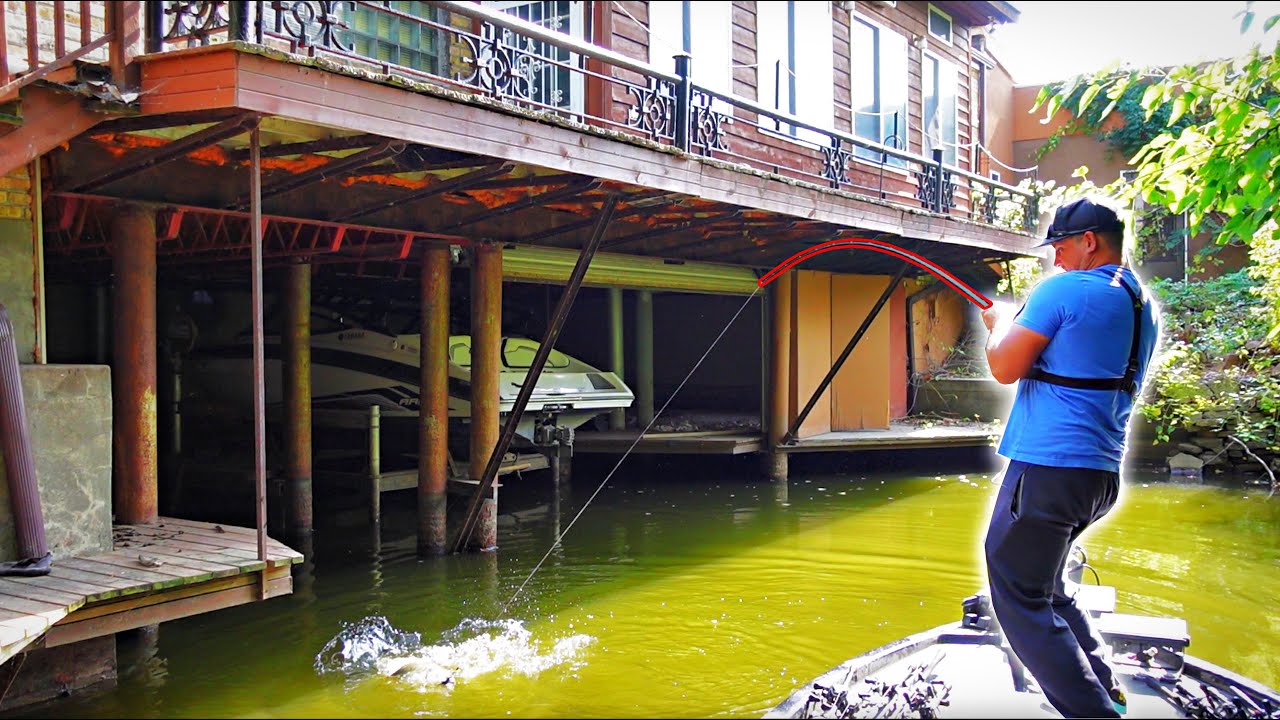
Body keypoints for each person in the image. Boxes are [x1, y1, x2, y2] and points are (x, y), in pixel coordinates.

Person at [979, 196, 1161, 718]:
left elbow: (1004, 367)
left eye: (1059, 246)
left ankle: (1094, 713)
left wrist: (998, 326)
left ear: (1089, 241)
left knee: (1019, 594)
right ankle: (1110, 693)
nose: (1054, 258)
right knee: (1050, 587)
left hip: (1049, 469)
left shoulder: (1065, 290)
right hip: (1099, 477)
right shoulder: (1142, 305)